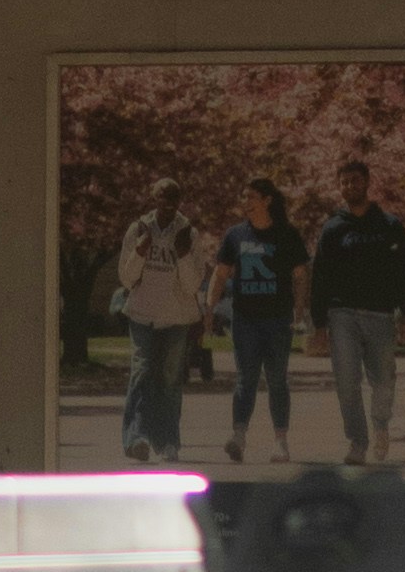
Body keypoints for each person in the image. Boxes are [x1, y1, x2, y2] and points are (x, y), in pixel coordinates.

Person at [307, 154, 405, 466]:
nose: (349, 185)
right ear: (338, 186)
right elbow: (321, 277)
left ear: (366, 183)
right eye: (344, 181)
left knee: (384, 380)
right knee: (346, 382)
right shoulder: (333, 230)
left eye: (355, 180)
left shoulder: (388, 226)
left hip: (381, 315)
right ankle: (357, 442)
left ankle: (381, 425)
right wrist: (318, 323)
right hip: (341, 315)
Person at [211, 174, 306, 465]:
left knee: (277, 380)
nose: (246, 203)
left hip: (278, 320)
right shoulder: (235, 235)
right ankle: (238, 437)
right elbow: (221, 272)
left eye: (251, 197)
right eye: (244, 198)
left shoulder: (287, 235)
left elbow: (301, 276)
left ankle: (280, 442)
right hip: (246, 320)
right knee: (245, 380)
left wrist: (299, 310)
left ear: (267, 201)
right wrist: (208, 306)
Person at [111, 186, 204, 467]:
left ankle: (167, 442)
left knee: (169, 378)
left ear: (179, 202)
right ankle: (135, 439)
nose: (167, 204)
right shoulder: (139, 228)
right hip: (142, 314)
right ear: (154, 199)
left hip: (176, 317)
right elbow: (127, 279)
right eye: (162, 197)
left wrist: (184, 255)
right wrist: (140, 251)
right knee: (141, 372)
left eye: (173, 198)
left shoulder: (189, 233)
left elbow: (192, 286)